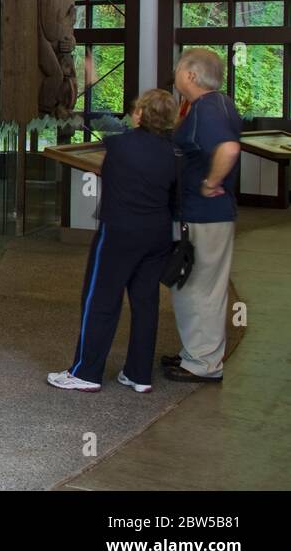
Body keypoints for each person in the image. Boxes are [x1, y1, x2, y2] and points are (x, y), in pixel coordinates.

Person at [47, 90, 179, 393]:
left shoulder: (118, 145)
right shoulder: (174, 152)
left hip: (119, 232)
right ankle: (138, 374)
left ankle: (87, 372)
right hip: (157, 234)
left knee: (101, 299)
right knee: (146, 302)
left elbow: (107, 170)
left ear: (140, 115)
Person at [163, 48, 242, 383]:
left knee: (198, 286)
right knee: (195, 285)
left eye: (179, 69)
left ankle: (204, 363)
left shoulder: (207, 109)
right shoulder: (217, 104)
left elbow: (228, 147)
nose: (177, 75)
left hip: (203, 214)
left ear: (191, 75)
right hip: (203, 214)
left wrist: (211, 182)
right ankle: (195, 353)